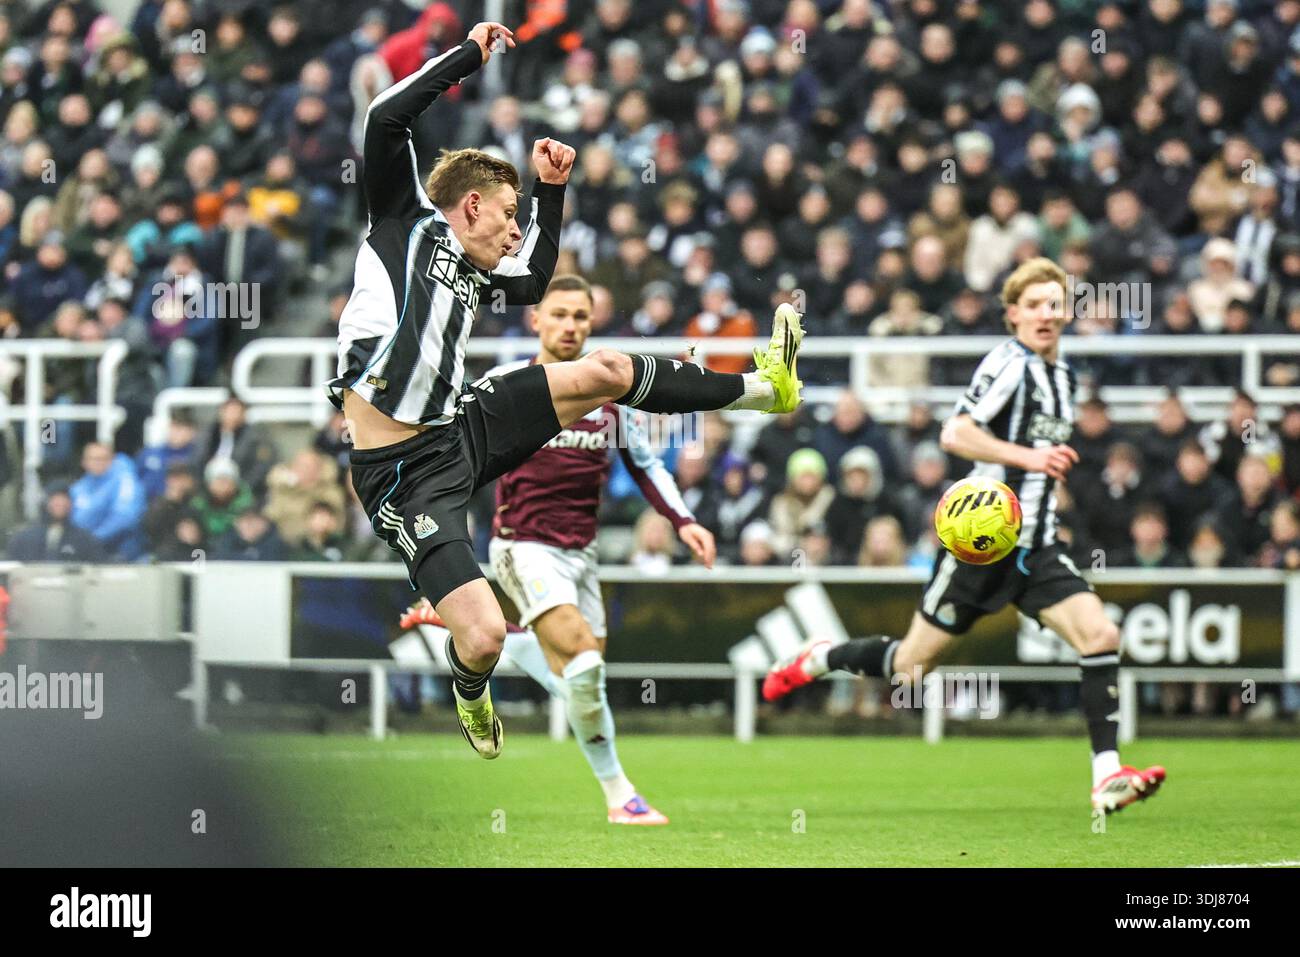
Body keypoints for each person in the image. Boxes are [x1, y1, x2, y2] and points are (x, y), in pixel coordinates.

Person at [329, 22, 804, 760]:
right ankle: (468, 684)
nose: (518, 229)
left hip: (461, 427)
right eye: (512, 212)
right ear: (472, 205)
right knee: (483, 635)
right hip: (403, 474)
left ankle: (761, 387)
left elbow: (537, 281)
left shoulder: (480, 269)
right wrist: (470, 56)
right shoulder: (402, 222)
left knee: (608, 371)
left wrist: (552, 193)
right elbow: (384, 117)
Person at [762, 258, 1165, 815]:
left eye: (1055, 303)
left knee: (1100, 637)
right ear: (1012, 316)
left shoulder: (1065, 377)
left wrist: (1046, 479)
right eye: (1033, 305)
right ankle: (822, 657)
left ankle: (1106, 777)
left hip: (1038, 543)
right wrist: (1029, 457)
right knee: (910, 666)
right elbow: (956, 431)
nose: (1046, 314)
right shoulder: (1008, 364)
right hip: (981, 544)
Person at [408, 274, 712, 823]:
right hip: (522, 546)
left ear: (591, 324)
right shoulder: (508, 384)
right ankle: (621, 795)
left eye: (580, 316)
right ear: (536, 321)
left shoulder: (606, 396)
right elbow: (455, 454)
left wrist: (683, 520)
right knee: (584, 658)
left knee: (578, 678)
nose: (570, 325)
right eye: (560, 314)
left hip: (582, 555)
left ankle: (495, 637)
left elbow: (644, 465)